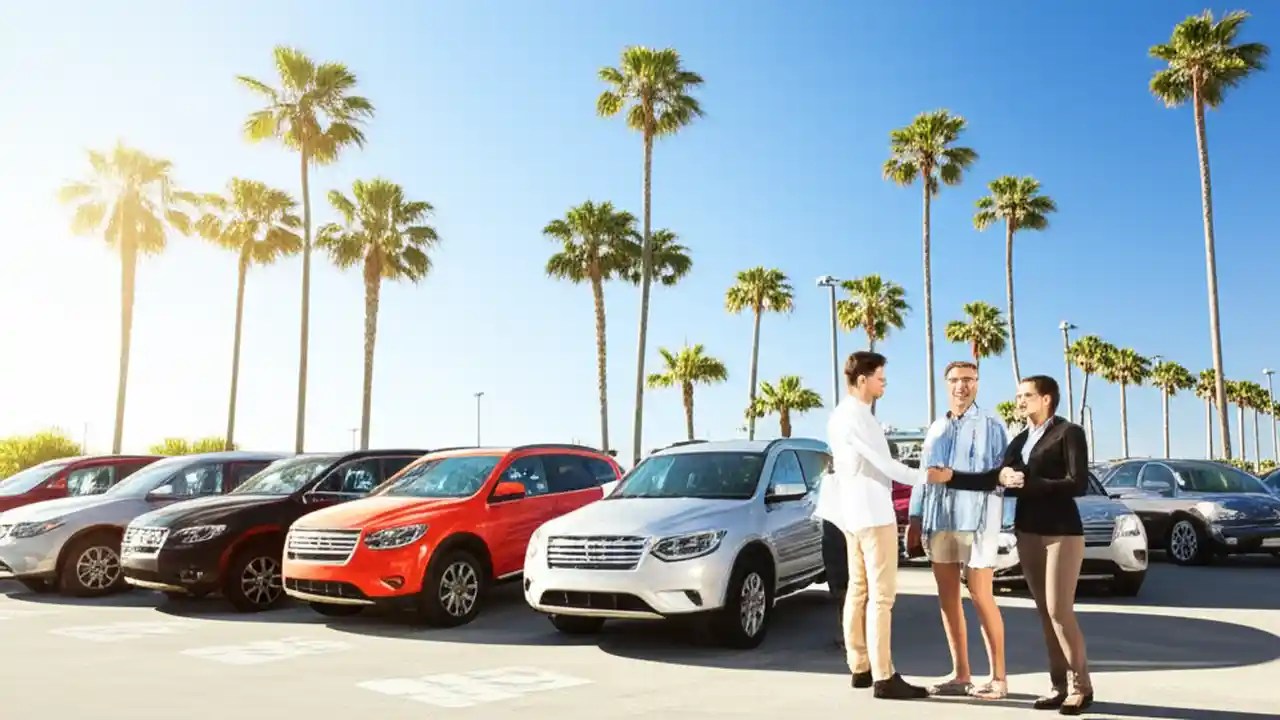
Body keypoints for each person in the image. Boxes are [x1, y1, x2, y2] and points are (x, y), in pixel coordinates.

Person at [928, 375, 1094, 715]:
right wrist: (954, 478)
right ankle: (1058, 687)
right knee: (1045, 614)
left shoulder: (1068, 433)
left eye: (1027, 395)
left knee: (1060, 610)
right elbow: (997, 478)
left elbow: (1077, 483)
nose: (1021, 401)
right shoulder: (1019, 441)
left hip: (1062, 533)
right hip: (1028, 532)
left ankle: (1082, 687)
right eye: (1018, 395)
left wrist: (1031, 483)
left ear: (1047, 399)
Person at [817, 350, 948, 700]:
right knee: (882, 597)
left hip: (852, 515)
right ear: (863, 379)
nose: (884, 382)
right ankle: (884, 676)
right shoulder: (856, 417)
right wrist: (928, 477)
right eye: (880, 377)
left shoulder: (839, 416)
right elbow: (884, 464)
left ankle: (859, 666)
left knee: (859, 589)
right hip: (873, 515)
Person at [906, 361, 1011, 700]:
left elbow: (1000, 478)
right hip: (940, 522)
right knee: (948, 598)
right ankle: (961, 673)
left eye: (968, 380)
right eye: (955, 380)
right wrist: (915, 517)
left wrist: (999, 528)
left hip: (978, 522)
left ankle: (998, 678)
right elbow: (924, 476)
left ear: (977, 384)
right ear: (946, 384)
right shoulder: (936, 427)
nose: (961, 386)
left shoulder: (993, 425)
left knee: (982, 596)